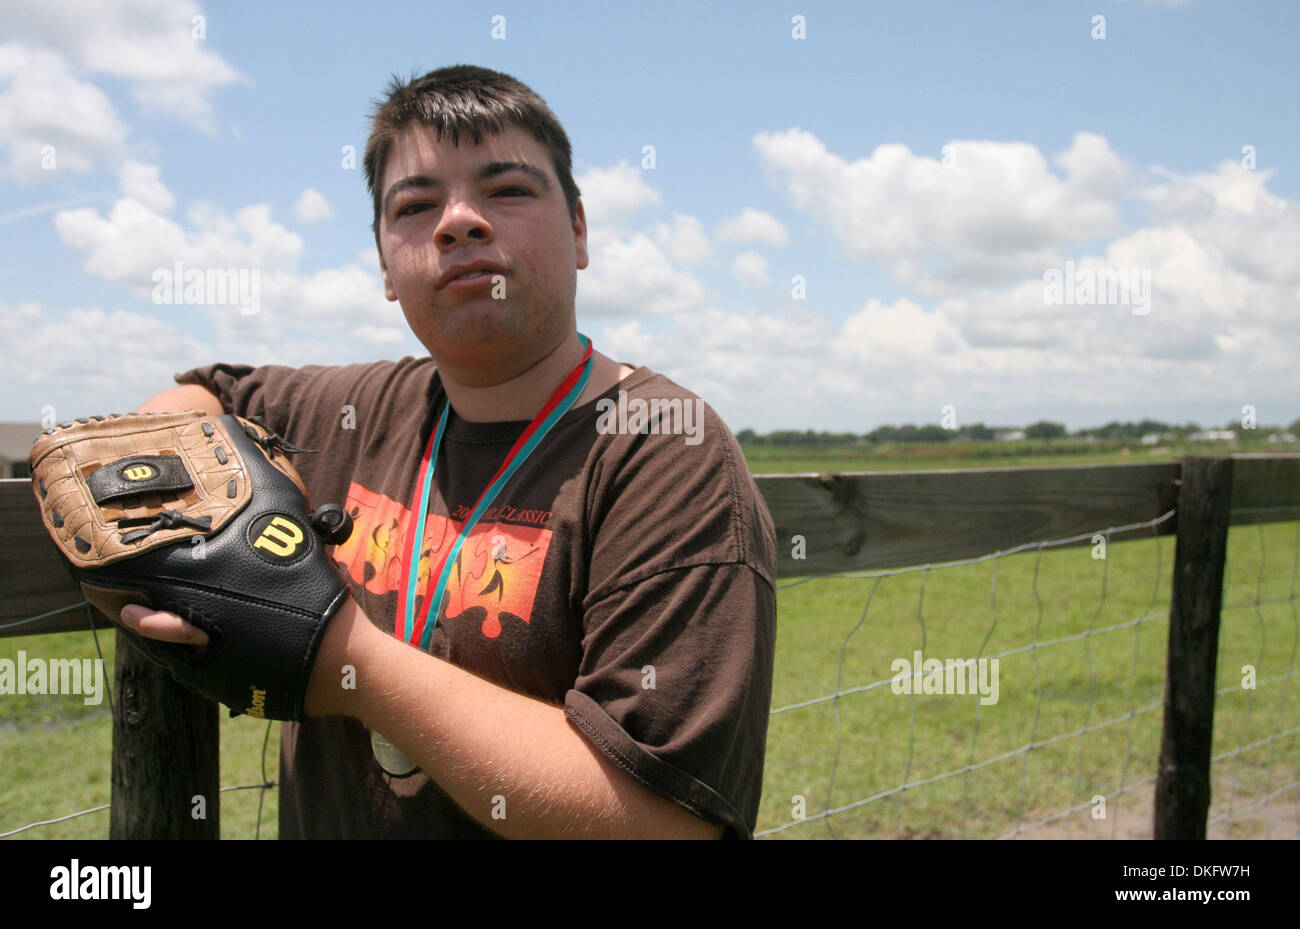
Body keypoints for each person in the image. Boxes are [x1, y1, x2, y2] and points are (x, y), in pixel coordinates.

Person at [125, 64, 777, 839]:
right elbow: (196, 397)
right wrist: (192, 521)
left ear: (579, 231)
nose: (458, 222)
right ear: (384, 266)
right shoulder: (351, 411)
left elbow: (660, 820)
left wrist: (344, 661)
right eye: (415, 204)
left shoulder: (666, 452)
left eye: (507, 190)